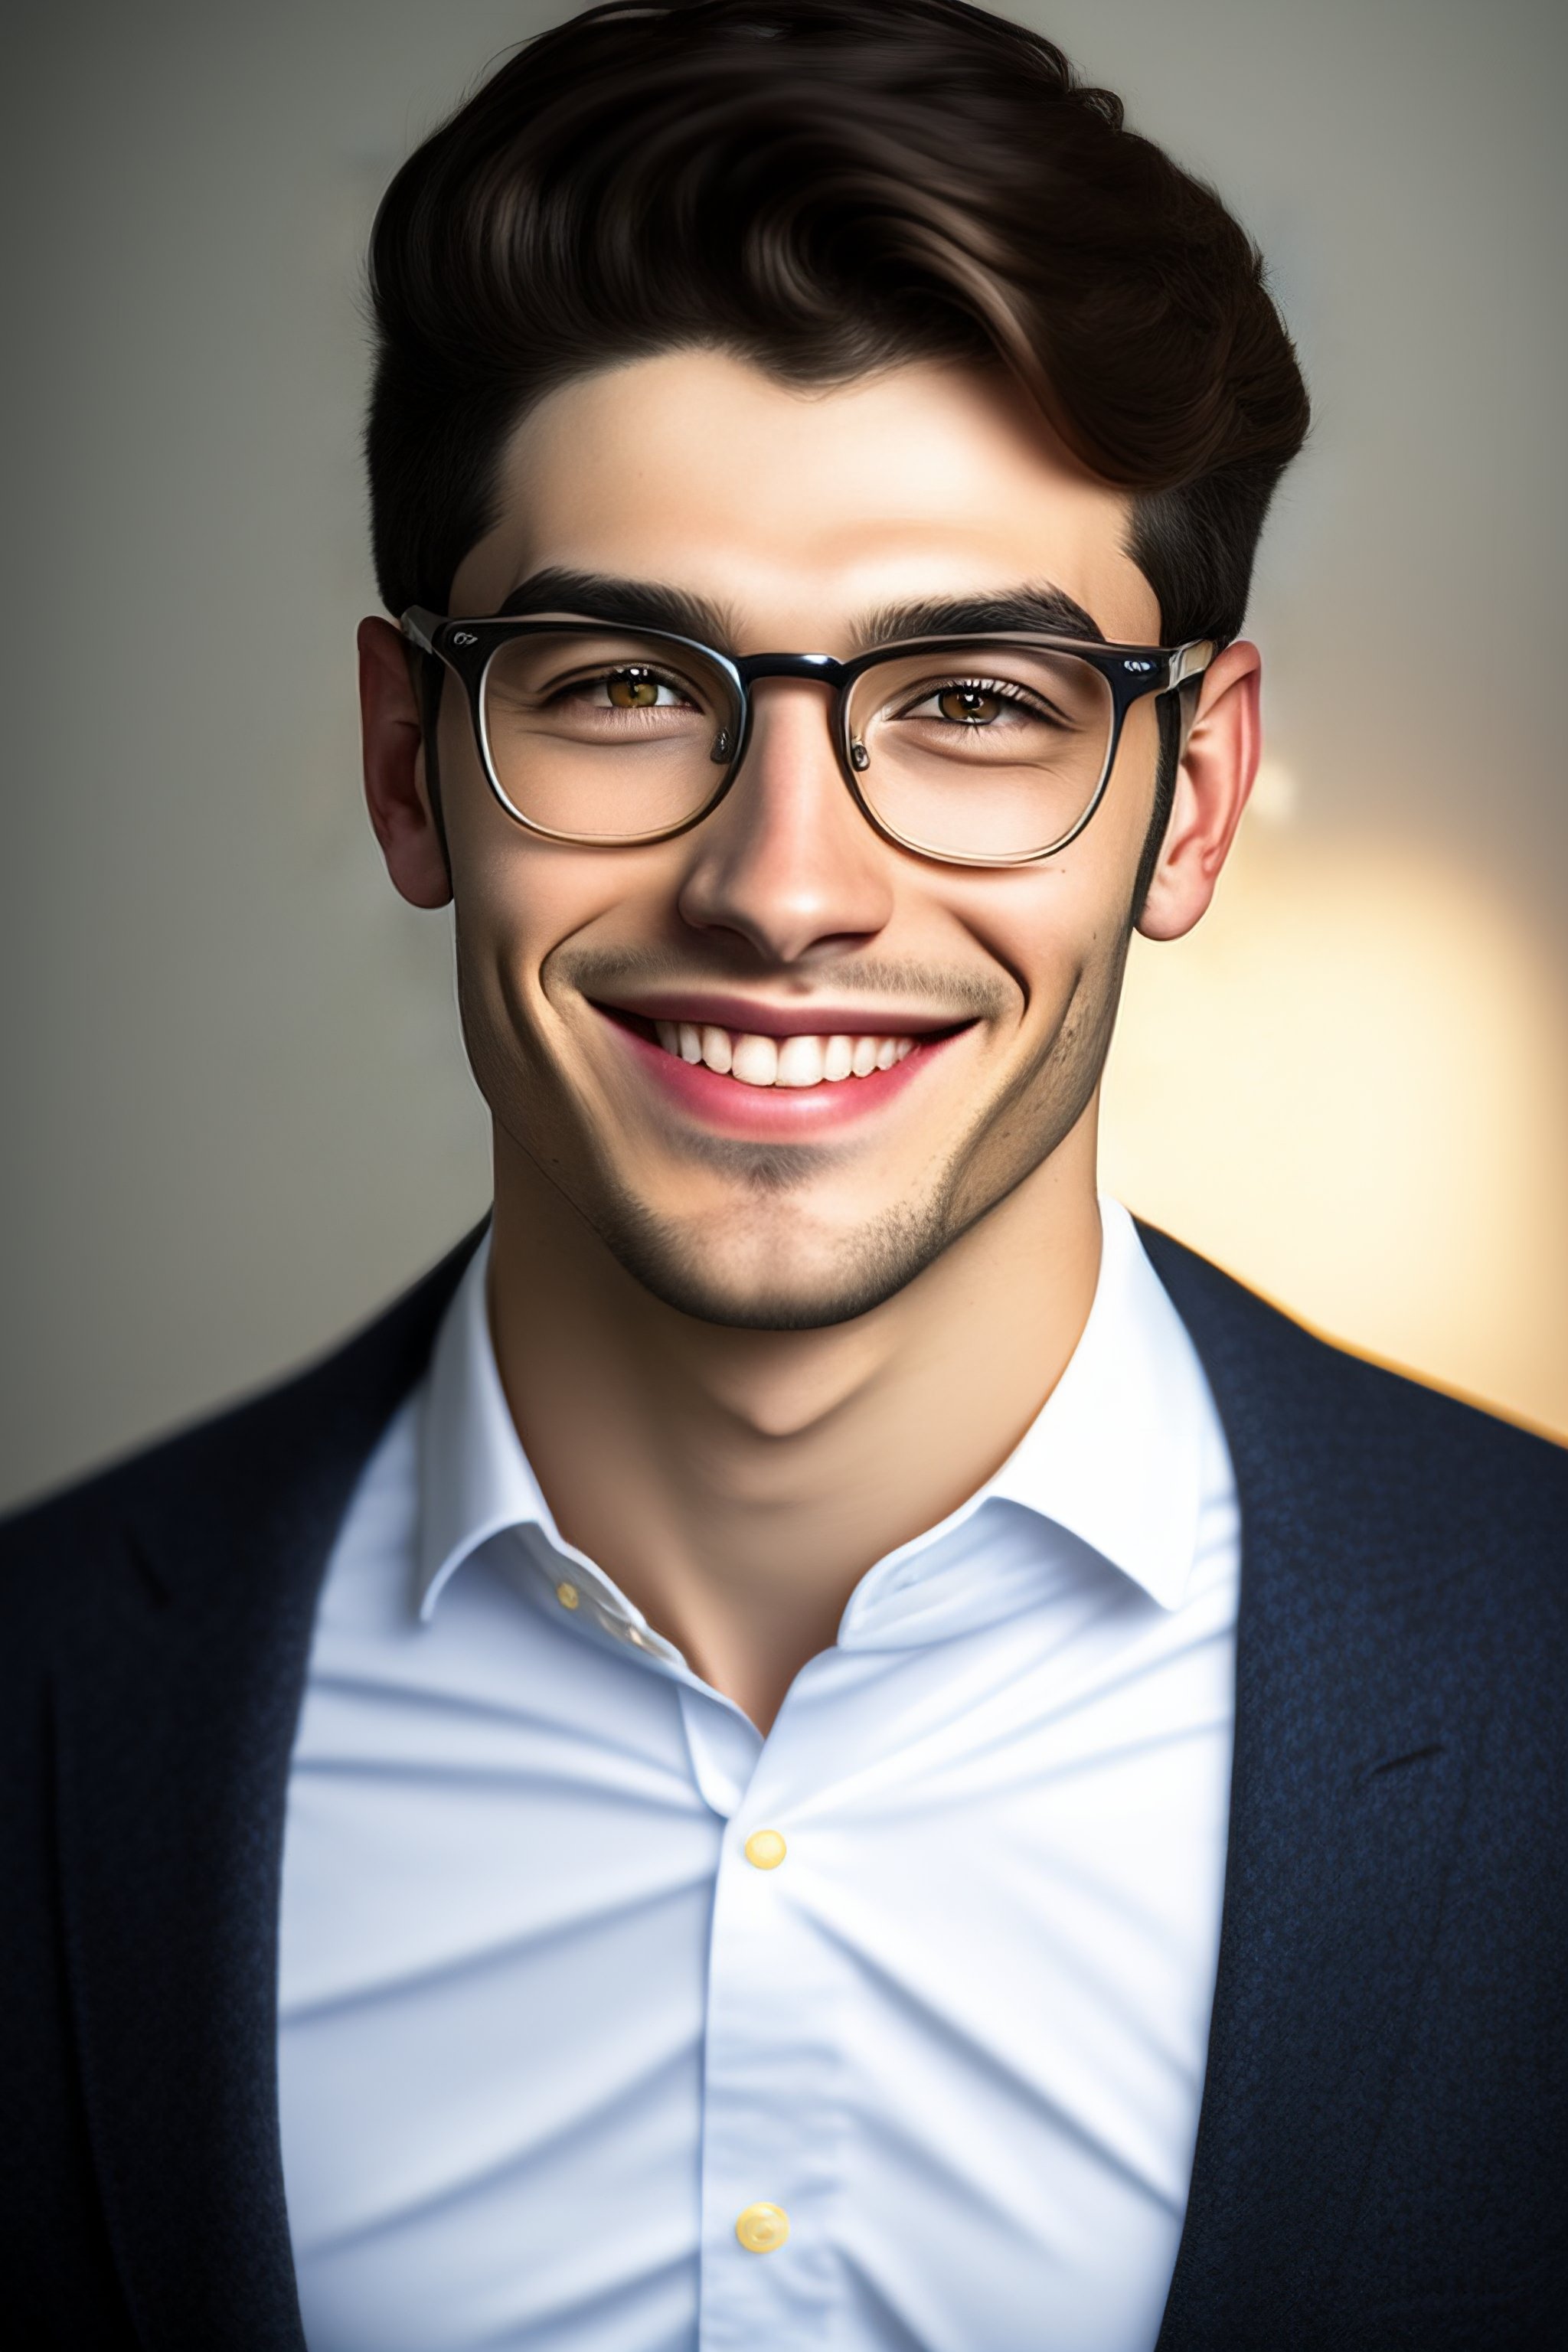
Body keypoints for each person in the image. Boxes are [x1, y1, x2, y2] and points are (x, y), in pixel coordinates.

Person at [3, 2, 1562, 2346]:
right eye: (623, 682)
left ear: (1199, 799)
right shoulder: (32, 1703)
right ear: (411, 769)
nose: (789, 886)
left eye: (974, 703)